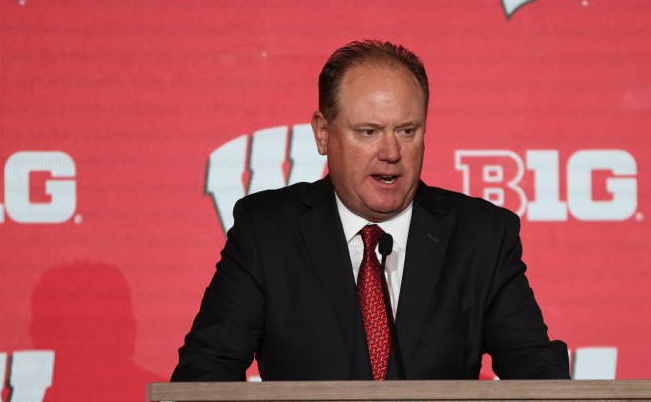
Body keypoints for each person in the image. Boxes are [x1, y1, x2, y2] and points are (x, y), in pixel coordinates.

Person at [171, 40, 568, 381]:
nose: (392, 153)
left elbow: (537, 372)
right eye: (369, 132)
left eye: (407, 131)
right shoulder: (268, 233)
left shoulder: (480, 238)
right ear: (323, 133)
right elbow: (205, 376)